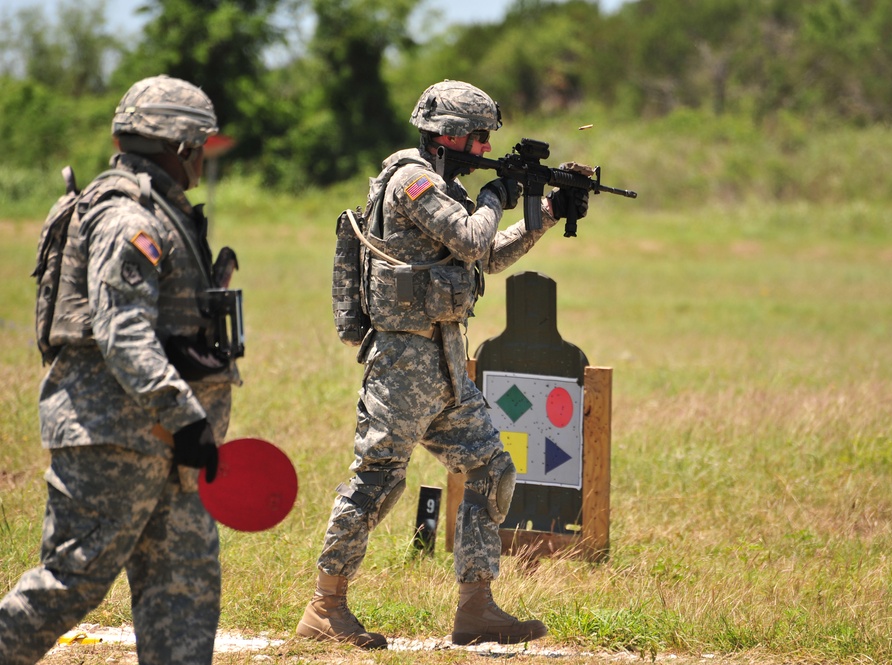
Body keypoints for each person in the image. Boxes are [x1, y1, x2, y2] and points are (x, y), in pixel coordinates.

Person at [297, 79, 589, 649]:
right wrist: (496, 196)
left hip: (445, 361)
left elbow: (488, 256)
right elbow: (473, 239)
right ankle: (325, 607)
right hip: (404, 361)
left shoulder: (449, 187)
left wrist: (549, 209)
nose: (485, 150)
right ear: (450, 134)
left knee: (491, 471)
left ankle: (476, 607)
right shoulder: (412, 180)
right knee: (377, 482)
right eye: (480, 139)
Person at [0, 75, 242, 665]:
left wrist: (187, 426)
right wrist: (184, 415)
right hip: (114, 436)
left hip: (166, 444)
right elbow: (122, 329)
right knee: (71, 582)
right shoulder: (125, 217)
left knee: (184, 590)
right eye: (199, 148)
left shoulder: (159, 207)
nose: (200, 161)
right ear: (180, 146)